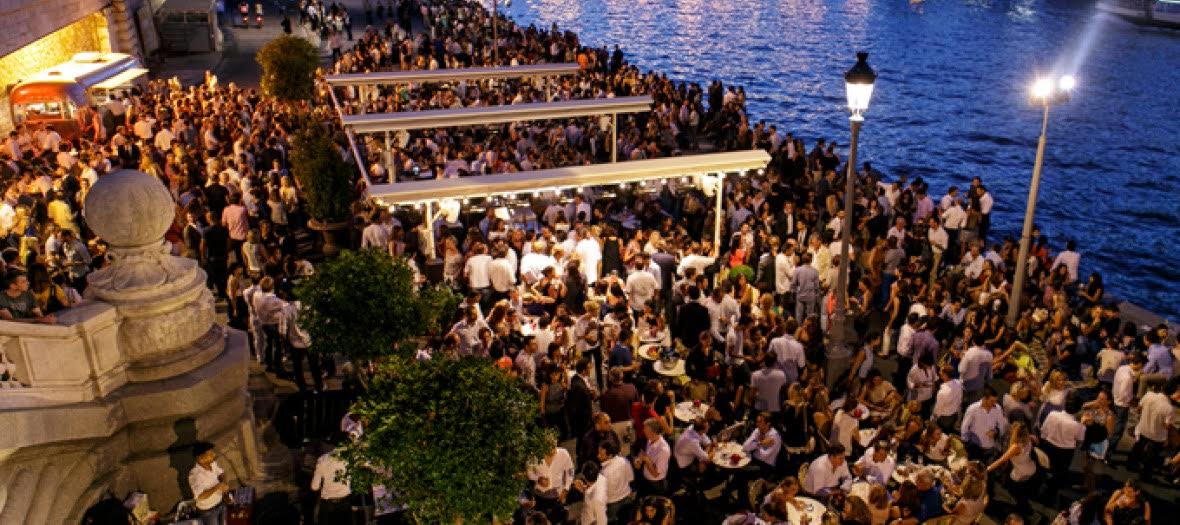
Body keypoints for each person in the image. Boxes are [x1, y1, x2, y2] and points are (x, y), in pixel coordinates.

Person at [310, 433, 351, 524]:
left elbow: (314, 486)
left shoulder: (323, 459)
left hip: (328, 505)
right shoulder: (350, 459)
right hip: (344, 504)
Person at [188, 442, 229, 525]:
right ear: (200, 458)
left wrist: (224, 486)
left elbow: (221, 473)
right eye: (210, 454)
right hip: (209, 511)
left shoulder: (212, 464)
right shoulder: (195, 475)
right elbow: (200, 496)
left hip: (220, 503)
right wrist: (217, 487)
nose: (214, 455)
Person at [633, 418, 671, 496]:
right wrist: (640, 459)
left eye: (646, 430)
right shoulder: (650, 440)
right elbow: (646, 454)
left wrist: (646, 460)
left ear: (653, 433)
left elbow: (656, 474)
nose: (643, 431)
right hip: (647, 480)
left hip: (655, 485)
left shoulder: (663, 450)